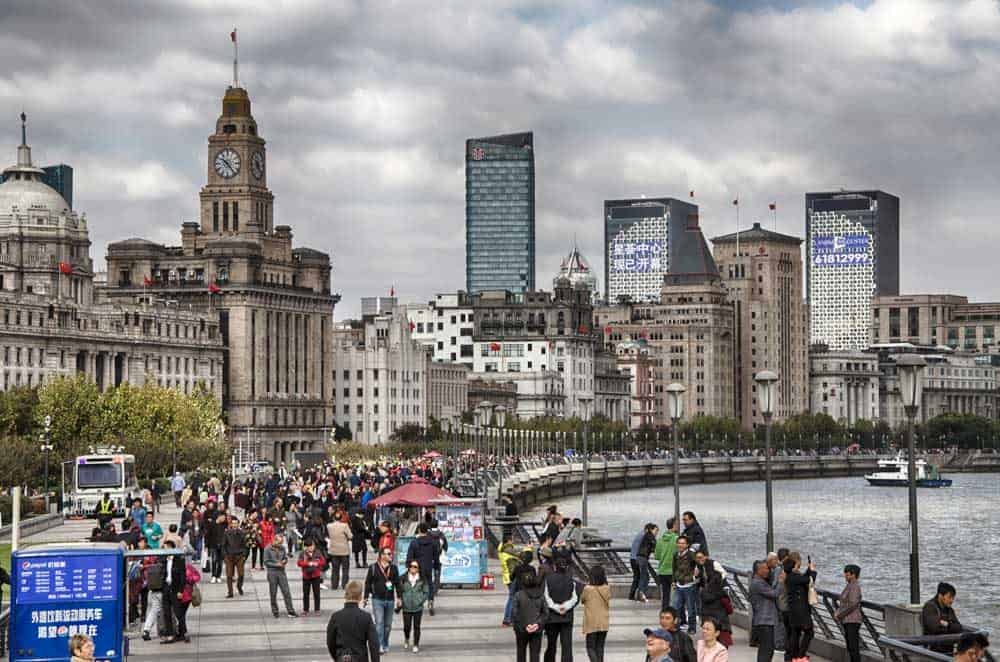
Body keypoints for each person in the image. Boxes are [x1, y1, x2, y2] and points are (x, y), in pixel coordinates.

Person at [328, 580, 381, 662]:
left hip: (342, 658)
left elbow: (330, 642)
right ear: (360, 597)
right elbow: (374, 644)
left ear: (345, 595)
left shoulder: (336, 617)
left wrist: (337, 657)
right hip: (360, 658)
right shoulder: (366, 617)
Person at [364, 547, 402, 654]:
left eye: (391, 554)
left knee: (388, 626)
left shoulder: (394, 568)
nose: (391, 556)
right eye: (389, 554)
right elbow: (367, 583)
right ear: (382, 556)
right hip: (377, 599)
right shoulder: (373, 568)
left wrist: (399, 597)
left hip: (390, 600)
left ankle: (385, 642)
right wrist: (366, 597)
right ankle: (379, 644)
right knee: (379, 623)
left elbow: (398, 583)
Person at [543, 552, 580, 662]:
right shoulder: (571, 580)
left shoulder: (548, 580)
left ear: (555, 567)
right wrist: (565, 607)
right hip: (567, 617)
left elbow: (546, 597)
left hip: (552, 617)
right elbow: (574, 598)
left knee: (551, 644)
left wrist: (556, 607)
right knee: (567, 646)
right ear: (566, 567)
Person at [695, 550, 732, 648]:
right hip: (721, 622)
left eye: (701, 557)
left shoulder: (713, 564)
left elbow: (723, 573)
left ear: (705, 556)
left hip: (710, 592)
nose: (699, 560)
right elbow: (729, 609)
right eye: (697, 558)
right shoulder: (722, 596)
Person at [784, 554, 816, 662]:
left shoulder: (790, 576)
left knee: (796, 633)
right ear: (795, 564)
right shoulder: (794, 577)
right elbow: (809, 581)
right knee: (809, 632)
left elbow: (803, 578)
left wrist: (808, 569)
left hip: (794, 612)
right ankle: (800, 655)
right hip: (801, 611)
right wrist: (812, 571)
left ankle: (794, 656)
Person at [405, 523, 441, 616]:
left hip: (416, 568)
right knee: (429, 584)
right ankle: (430, 601)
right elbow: (436, 556)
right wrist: (436, 566)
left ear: (419, 530)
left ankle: (417, 604)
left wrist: (408, 565)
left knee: (416, 586)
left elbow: (409, 557)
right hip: (428, 567)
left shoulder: (414, 542)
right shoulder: (433, 542)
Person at [512, 567, 548, 662]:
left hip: (521, 629)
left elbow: (515, 613)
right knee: (535, 653)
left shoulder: (518, 595)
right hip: (537, 629)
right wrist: (537, 624)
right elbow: (545, 612)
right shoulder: (541, 595)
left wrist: (525, 625)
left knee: (521, 652)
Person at [750, 560, 780, 662]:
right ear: (758, 570)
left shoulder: (760, 581)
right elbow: (775, 594)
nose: (768, 571)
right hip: (764, 621)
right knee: (766, 651)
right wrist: (780, 581)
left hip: (765, 621)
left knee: (768, 650)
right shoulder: (758, 583)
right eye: (765, 568)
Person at [158, 539, 187, 644]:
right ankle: (170, 634)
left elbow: (183, 577)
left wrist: (181, 590)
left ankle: (184, 632)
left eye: (165, 548)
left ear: (171, 548)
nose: (164, 550)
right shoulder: (164, 560)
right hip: (166, 588)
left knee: (178, 612)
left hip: (175, 589)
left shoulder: (179, 560)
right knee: (166, 613)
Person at [264, 532, 299, 618]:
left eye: (281, 543)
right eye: (279, 543)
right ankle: (275, 611)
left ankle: (290, 610)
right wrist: (276, 564)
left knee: (286, 592)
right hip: (272, 573)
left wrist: (284, 561)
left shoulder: (282, 548)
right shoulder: (267, 549)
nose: (280, 544)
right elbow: (266, 562)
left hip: (281, 572)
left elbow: (285, 557)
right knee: (273, 592)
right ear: (274, 540)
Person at [922, 582, 963, 653]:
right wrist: (951, 628)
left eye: (953, 598)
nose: (951, 601)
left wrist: (947, 624)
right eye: (949, 597)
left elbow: (959, 628)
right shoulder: (929, 607)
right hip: (933, 651)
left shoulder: (949, 610)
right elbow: (934, 629)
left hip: (948, 650)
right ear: (940, 596)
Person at [580, 566, 610, 662]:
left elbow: (582, 600)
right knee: (600, 647)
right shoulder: (607, 588)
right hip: (603, 622)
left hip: (591, 622)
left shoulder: (588, 589)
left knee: (590, 647)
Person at [834, 565, 863, 662]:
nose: (845, 576)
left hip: (853, 621)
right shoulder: (850, 585)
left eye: (847, 574)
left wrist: (839, 614)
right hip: (848, 620)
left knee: (853, 647)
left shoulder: (854, 586)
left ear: (853, 575)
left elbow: (853, 604)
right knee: (851, 647)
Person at [401, 559, 429, 653]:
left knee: (417, 626)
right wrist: (402, 600)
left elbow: (426, 592)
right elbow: (399, 590)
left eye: (415, 567)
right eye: (411, 566)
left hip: (418, 607)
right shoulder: (403, 578)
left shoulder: (422, 579)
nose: (413, 568)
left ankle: (416, 644)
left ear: (418, 569)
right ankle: (407, 638)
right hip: (406, 607)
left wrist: (420, 601)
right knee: (407, 626)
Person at [672, 535, 697, 633]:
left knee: (690, 608)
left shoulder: (691, 555)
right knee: (676, 607)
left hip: (689, 585)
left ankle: (692, 627)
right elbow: (674, 568)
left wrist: (695, 576)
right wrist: (673, 581)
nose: (680, 545)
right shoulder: (675, 555)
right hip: (678, 585)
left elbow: (699, 564)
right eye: (679, 543)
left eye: (683, 543)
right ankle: (676, 626)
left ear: (687, 545)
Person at [174, 554, 201, 644]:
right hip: (177, 594)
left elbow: (197, 576)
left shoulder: (188, 567)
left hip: (187, 595)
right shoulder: (174, 568)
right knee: (180, 615)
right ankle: (182, 632)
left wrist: (189, 579)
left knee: (181, 614)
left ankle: (184, 633)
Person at [297, 538, 327, 615]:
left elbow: (323, 561)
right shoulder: (302, 553)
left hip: (316, 576)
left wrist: (317, 563)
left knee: (317, 593)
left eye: (312, 546)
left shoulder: (318, 552)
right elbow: (299, 563)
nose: (311, 548)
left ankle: (317, 609)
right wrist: (308, 563)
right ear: (306, 547)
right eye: (309, 546)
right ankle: (305, 610)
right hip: (306, 576)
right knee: (306, 594)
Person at [654, 517, 679, 610]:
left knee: (665, 595)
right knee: (675, 596)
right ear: (674, 525)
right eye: (676, 524)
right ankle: (674, 615)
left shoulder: (660, 539)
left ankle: (664, 612)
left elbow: (656, 556)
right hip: (673, 572)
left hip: (662, 571)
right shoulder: (676, 539)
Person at [629, 522, 657, 602]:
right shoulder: (645, 536)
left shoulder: (640, 534)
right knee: (643, 577)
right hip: (638, 558)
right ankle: (640, 594)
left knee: (637, 577)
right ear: (648, 530)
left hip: (633, 558)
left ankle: (632, 595)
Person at [499, 535, 523, 626]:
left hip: (507, 577)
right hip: (511, 577)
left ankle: (511, 618)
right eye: (512, 540)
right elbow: (518, 556)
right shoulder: (508, 551)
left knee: (513, 598)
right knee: (512, 598)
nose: (513, 542)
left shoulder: (503, 549)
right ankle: (507, 619)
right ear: (508, 541)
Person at [223, 516, 249, 598]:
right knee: (229, 575)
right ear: (231, 524)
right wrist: (225, 556)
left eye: (236, 523)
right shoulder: (227, 533)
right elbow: (223, 545)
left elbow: (246, 545)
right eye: (233, 523)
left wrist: (244, 556)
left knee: (241, 574)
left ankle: (239, 586)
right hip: (229, 556)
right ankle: (230, 592)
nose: (234, 525)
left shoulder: (242, 533)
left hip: (239, 556)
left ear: (238, 524)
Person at [327, 511, 354, 590]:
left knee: (335, 569)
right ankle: (344, 584)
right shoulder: (344, 526)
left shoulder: (329, 526)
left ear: (333, 518)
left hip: (334, 550)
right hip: (344, 551)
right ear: (341, 518)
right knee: (345, 569)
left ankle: (334, 585)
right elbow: (350, 536)